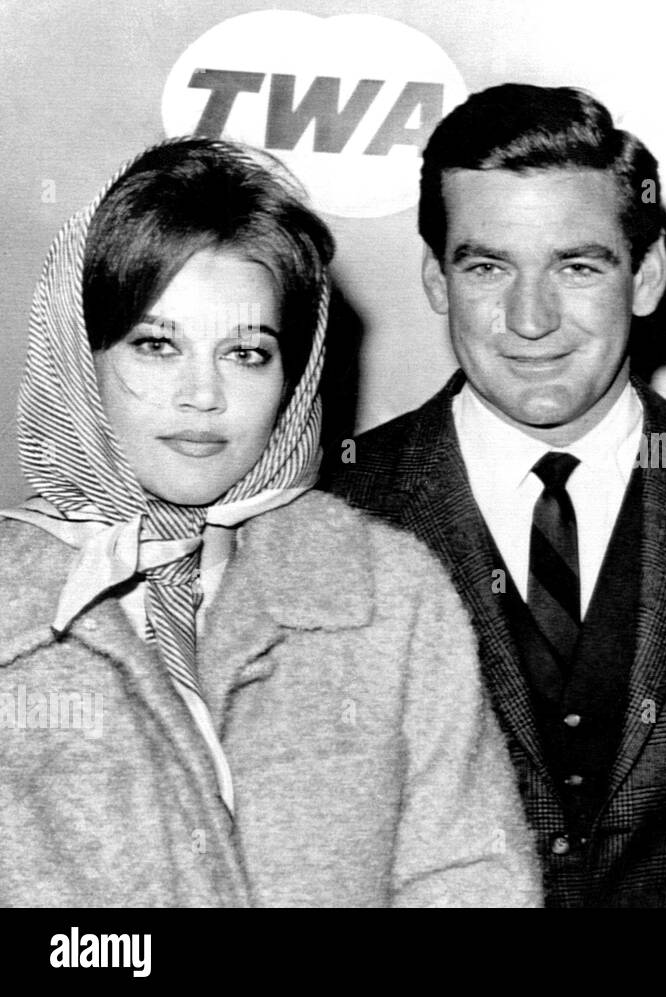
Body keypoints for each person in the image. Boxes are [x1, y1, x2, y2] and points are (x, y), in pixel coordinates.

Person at [326, 84, 666, 906]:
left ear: (645, 276)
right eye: (487, 266)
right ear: (438, 280)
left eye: (577, 266)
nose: (530, 317)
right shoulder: (330, 510)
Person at [0, 137, 541, 907]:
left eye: (246, 353)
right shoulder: (11, 601)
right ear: (78, 354)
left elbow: (471, 879)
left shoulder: (389, 592)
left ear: (294, 375)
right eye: (157, 345)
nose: (203, 395)